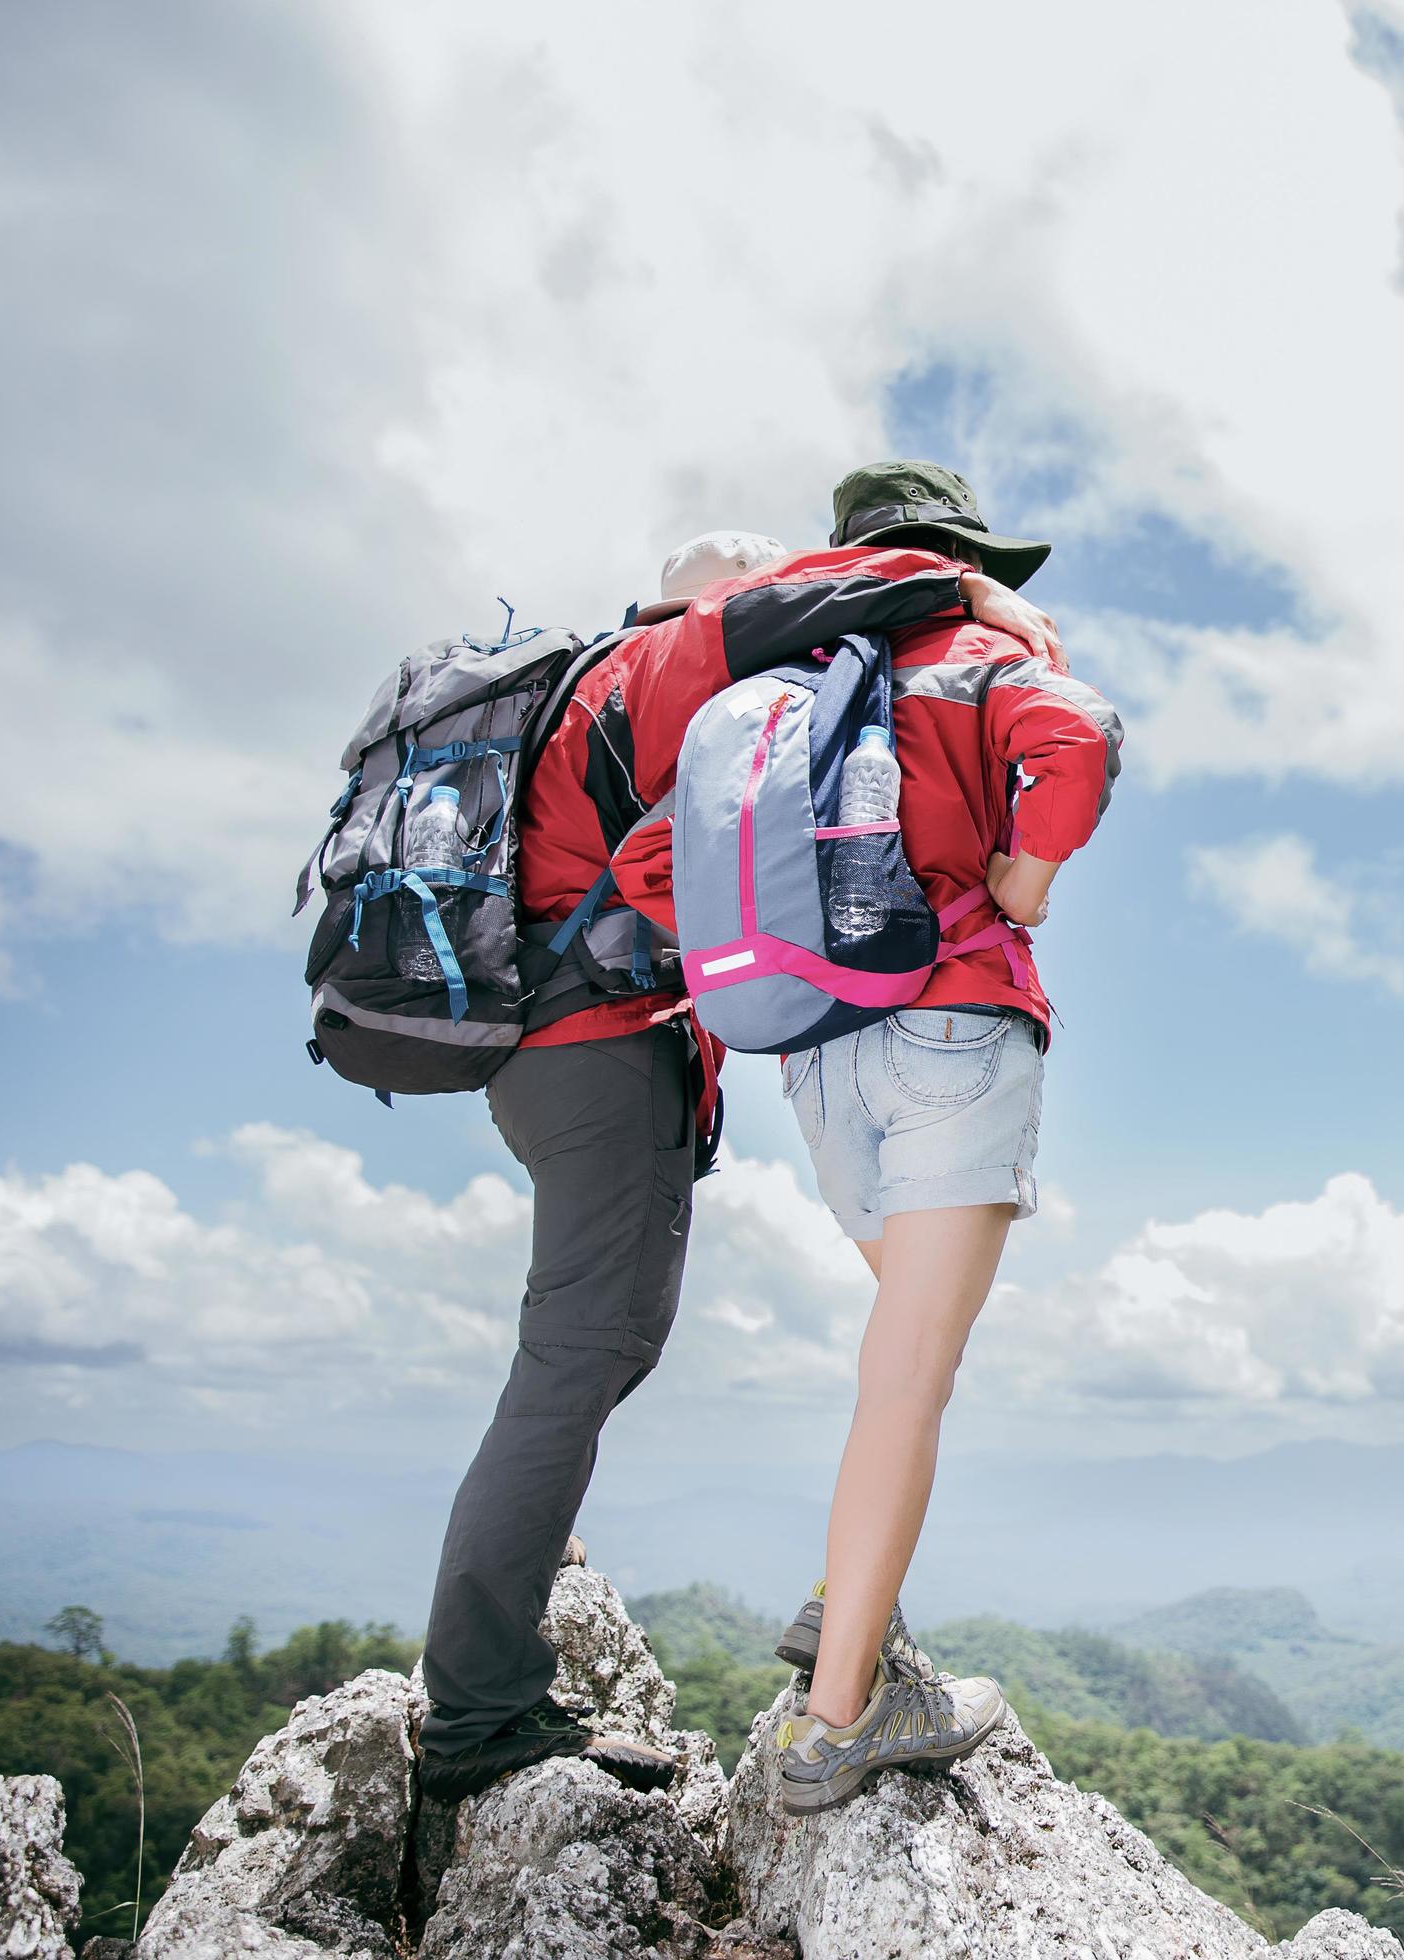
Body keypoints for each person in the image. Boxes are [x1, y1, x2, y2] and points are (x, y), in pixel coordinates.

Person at [413, 514, 1066, 1804]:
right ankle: (479, 1714)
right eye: (776, 604)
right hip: (591, 1053)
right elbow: (803, 605)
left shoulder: (596, 695)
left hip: (558, 1055)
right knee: (578, 1359)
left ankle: (500, 1679)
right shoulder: (666, 666)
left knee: (598, 1351)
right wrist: (966, 586)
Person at [756, 461, 1123, 1815]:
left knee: (897, 1357)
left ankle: (836, 1603)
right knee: (908, 1378)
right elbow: (1078, 742)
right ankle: (837, 1722)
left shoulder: (775, 681)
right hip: (956, 1025)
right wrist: (1021, 881)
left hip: (818, 1051)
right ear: (948, 550)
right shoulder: (975, 650)